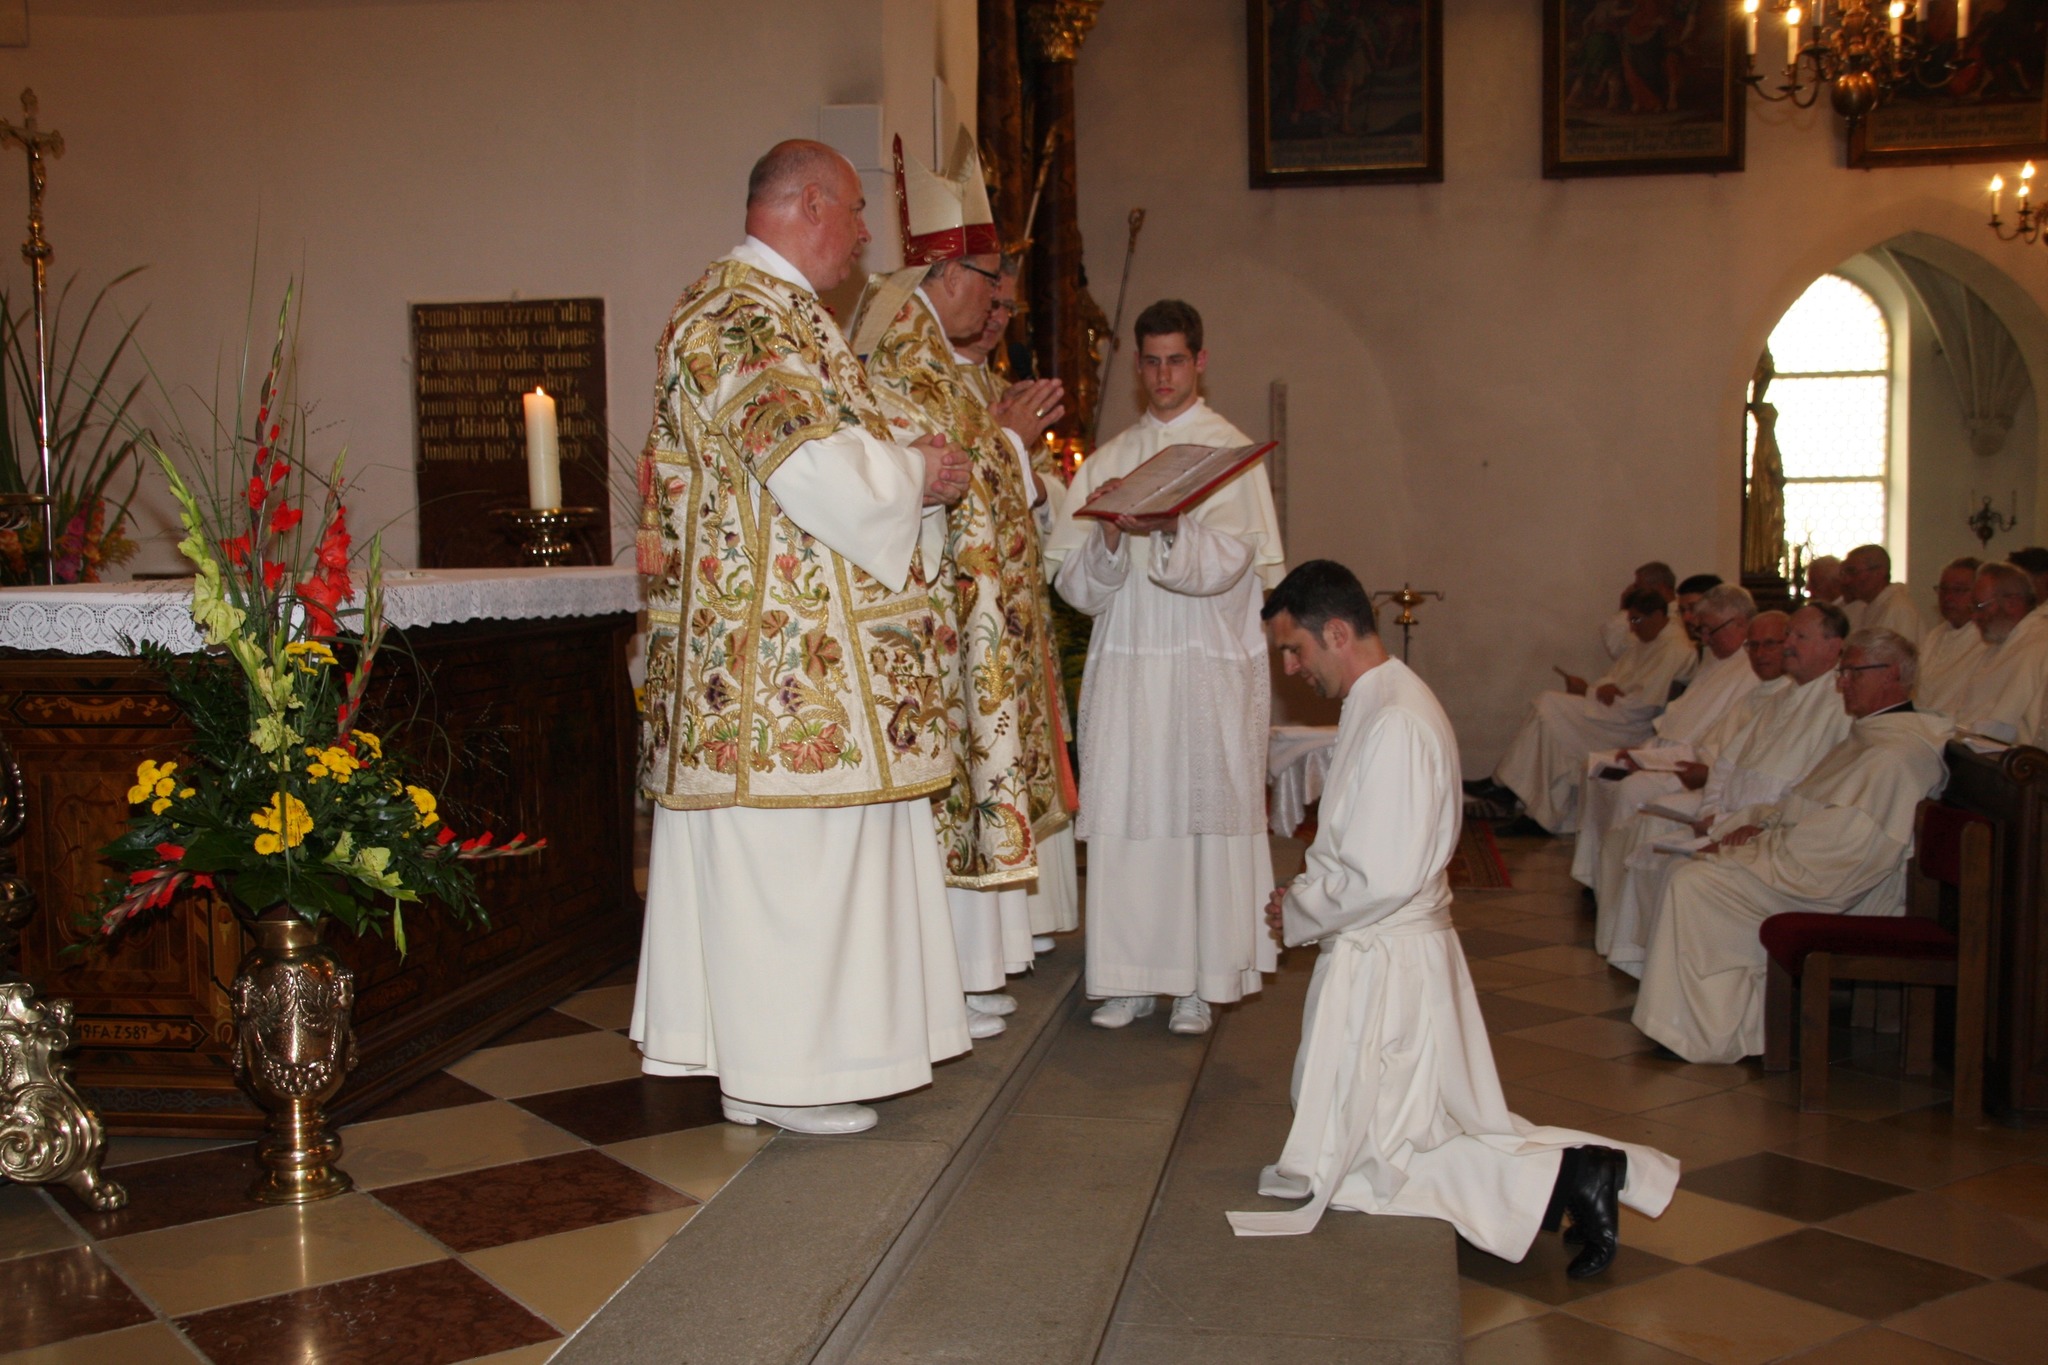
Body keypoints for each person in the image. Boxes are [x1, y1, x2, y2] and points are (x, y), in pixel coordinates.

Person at [630, 140, 976, 1136]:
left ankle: (803, 1065)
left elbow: (834, 442)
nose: (869, 235)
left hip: (802, 650)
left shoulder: (783, 315)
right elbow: (811, 466)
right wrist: (916, 476)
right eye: (859, 211)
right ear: (811, 204)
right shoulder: (741, 313)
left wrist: (909, 459)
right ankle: (778, 1077)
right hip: (774, 674)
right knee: (790, 870)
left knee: (815, 866)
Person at [1231, 561, 1678, 1280]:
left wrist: (1306, 907)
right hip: (1385, 946)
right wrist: (1309, 889)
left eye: (1294, 649)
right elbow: (1360, 839)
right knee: (1392, 1139)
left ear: (1337, 631)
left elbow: (1387, 871)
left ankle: (1578, 1174)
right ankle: (1578, 1174)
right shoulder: (1379, 702)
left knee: (1386, 1160)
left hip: (1394, 959)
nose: (1289, 666)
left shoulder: (1398, 718)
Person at [852, 136, 1071, 1035]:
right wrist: (1010, 444)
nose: (997, 296)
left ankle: (976, 971)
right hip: (935, 635)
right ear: (945, 270)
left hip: (973, 626)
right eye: (988, 273)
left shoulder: (942, 360)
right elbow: (938, 477)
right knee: (955, 798)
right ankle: (956, 975)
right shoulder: (901, 360)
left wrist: (1011, 449)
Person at [1044, 298, 1286, 1035]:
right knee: (1131, 817)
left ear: (1200, 361)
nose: (1162, 375)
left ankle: (1196, 982)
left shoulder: (1228, 454)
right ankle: (1128, 978)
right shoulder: (1113, 459)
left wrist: (1177, 527)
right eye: (1150, 361)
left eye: (1176, 359)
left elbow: (1237, 562)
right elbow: (1073, 586)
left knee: (1195, 818)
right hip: (1131, 669)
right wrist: (1114, 543)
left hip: (1203, 668)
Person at [1633, 628, 1949, 1064]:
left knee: (1695, 883)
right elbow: (1802, 804)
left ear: (1891, 675)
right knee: (1687, 871)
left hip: (1837, 885)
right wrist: (1756, 827)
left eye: (1851, 673)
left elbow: (1844, 853)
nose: (1841, 683)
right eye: (1842, 673)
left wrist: (1751, 852)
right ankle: (1690, 1025)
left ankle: (1714, 1034)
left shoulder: (1895, 755)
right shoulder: (1870, 735)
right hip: (1798, 859)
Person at [1594, 605, 1850, 977]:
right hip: (1727, 821)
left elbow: (1805, 793)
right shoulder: (1781, 697)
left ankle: (1677, 988)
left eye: (1798, 637)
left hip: (1764, 837)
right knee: (1652, 852)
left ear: (1833, 646)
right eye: (1789, 636)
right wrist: (1711, 814)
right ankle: (1646, 967)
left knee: (1677, 872)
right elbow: (1727, 764)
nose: (1787, 646)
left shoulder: (1840, 707)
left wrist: (1731, 824)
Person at [949, 255, 1080, 951]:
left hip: (1014, 605)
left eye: (1008, 312)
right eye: (991, 303)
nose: (999, 320)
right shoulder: (935, 381)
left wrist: (1040, 477)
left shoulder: (995, 387)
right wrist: (1011, 450)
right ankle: (993, 940)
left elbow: (1029, 503)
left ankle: (1026, 925)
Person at [1571, 583, 1760, 895]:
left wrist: (1658, 759)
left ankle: (1616, 885)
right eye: (1703, 630)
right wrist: (1646, 751)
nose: (1706, 639)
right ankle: (1595, 875)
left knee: (1631, 789)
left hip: (1692, 765)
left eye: (1711, 629)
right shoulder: (1715, 659)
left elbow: (1717, 739)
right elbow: (1679, 718)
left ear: (1741, 622)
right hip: (1666, 753)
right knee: (1596, 769)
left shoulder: (1751, 669)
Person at [1487, 586, 1697, 834]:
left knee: (1547, 706)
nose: (1632, 628)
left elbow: (1644, 707)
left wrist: (1590, 691)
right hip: (1613, 716)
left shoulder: (1674, 649)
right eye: (1630, 620)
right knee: (1549, 726)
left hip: (1631, 727)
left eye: (1637, 620)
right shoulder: (1646, 642)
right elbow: (1614, 680)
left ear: (1658, 616)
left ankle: (1507, 790)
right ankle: (1535, 811)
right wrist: (1600, 688)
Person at [1955, 560, 2048, 744]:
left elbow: (2008, 727)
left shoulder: (2038, 646)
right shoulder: (2003, 642)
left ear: (2012, 603)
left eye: (1980, 607)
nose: (1974, 617)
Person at [1916, 555, 1987, 718]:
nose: (1947, 597)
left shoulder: (1986, 641)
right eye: (1943, 589)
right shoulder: (1934, 636)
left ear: (1980, 593)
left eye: (1959, 590)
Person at [1840, 543, 1924, 639]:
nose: (1846, 580)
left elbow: (1898, 653)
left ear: (1879, 573)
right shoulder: (1862, 607)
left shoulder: (1899, 610)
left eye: (1852, 572)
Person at [1600, 560, 1677, 659]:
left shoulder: (1668, 617)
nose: (1634, 591)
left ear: (1660, 588)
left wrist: (1626, 608)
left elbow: (1621, 650)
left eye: (1638, 587)